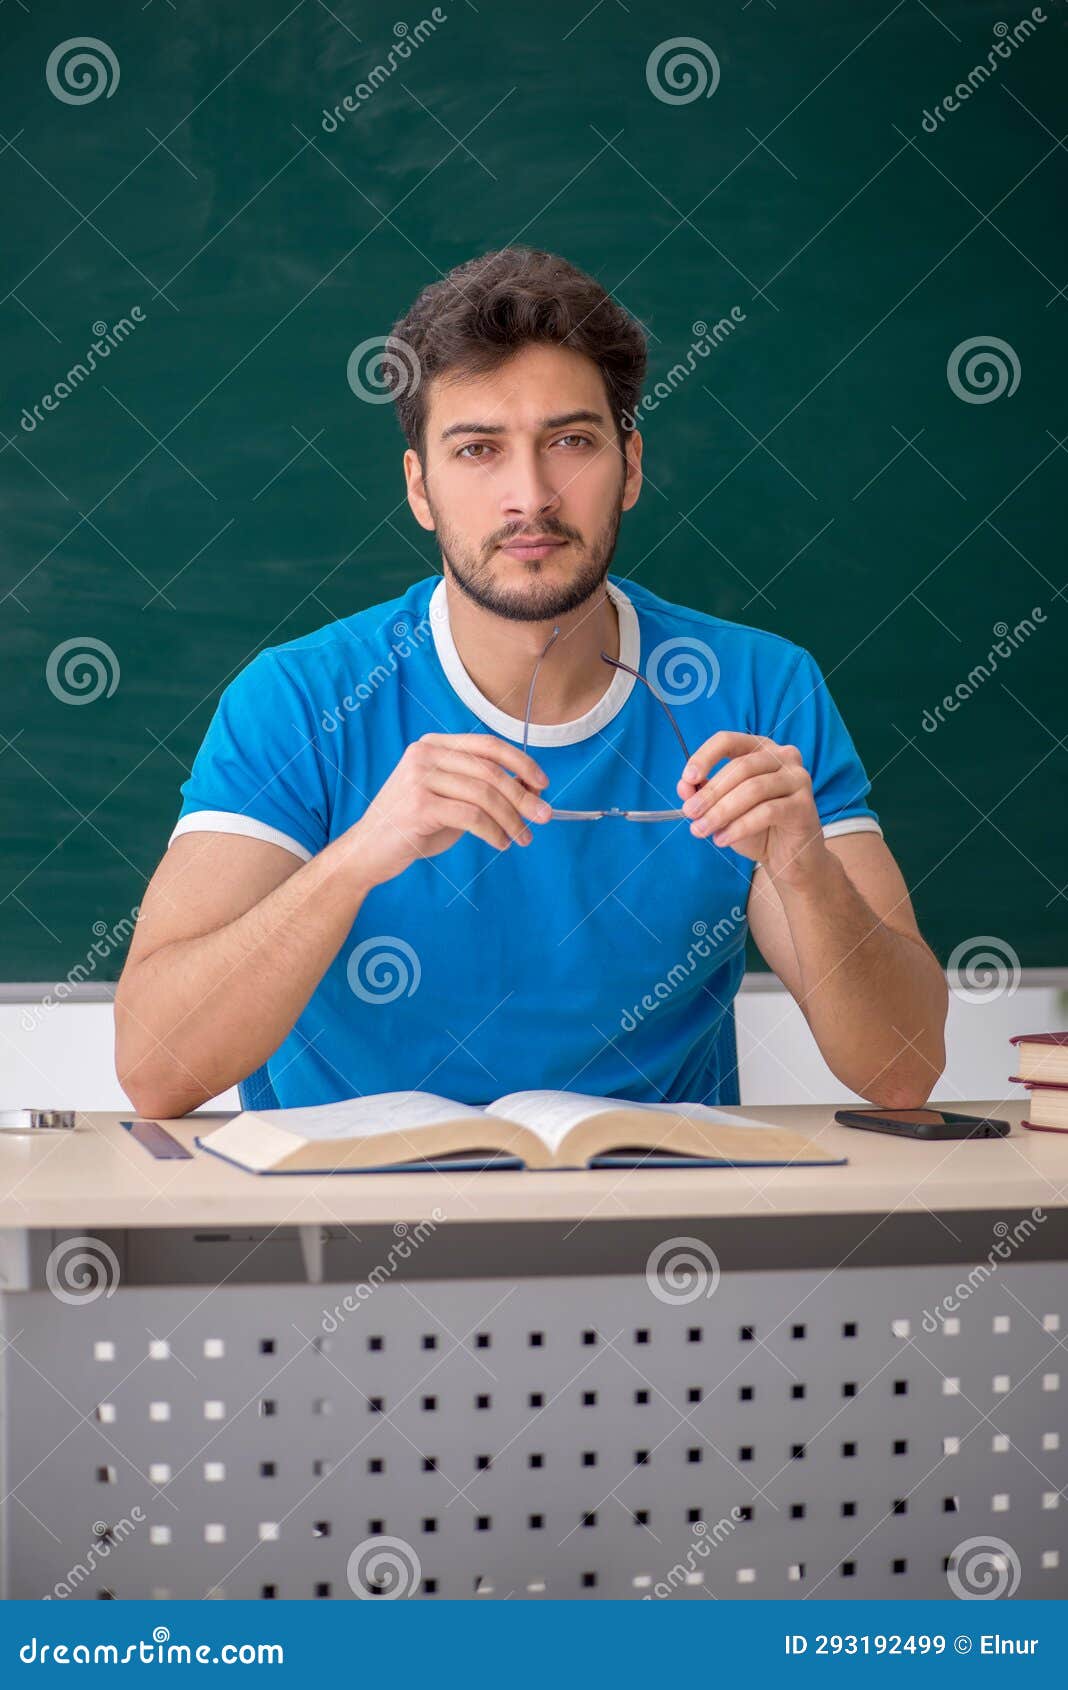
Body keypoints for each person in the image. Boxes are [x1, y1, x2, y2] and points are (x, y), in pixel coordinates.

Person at [115, 247, 947, 1118]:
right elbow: (155, 1069)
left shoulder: (761, 691)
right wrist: (358, 857)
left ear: (630, 467)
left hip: (661, 1230)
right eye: (478, 449)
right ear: (420, 488)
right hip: (339, 1228)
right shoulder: (294, 701)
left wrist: (806, 871)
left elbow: (900, 1071)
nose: (531, 495)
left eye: (572, 442)